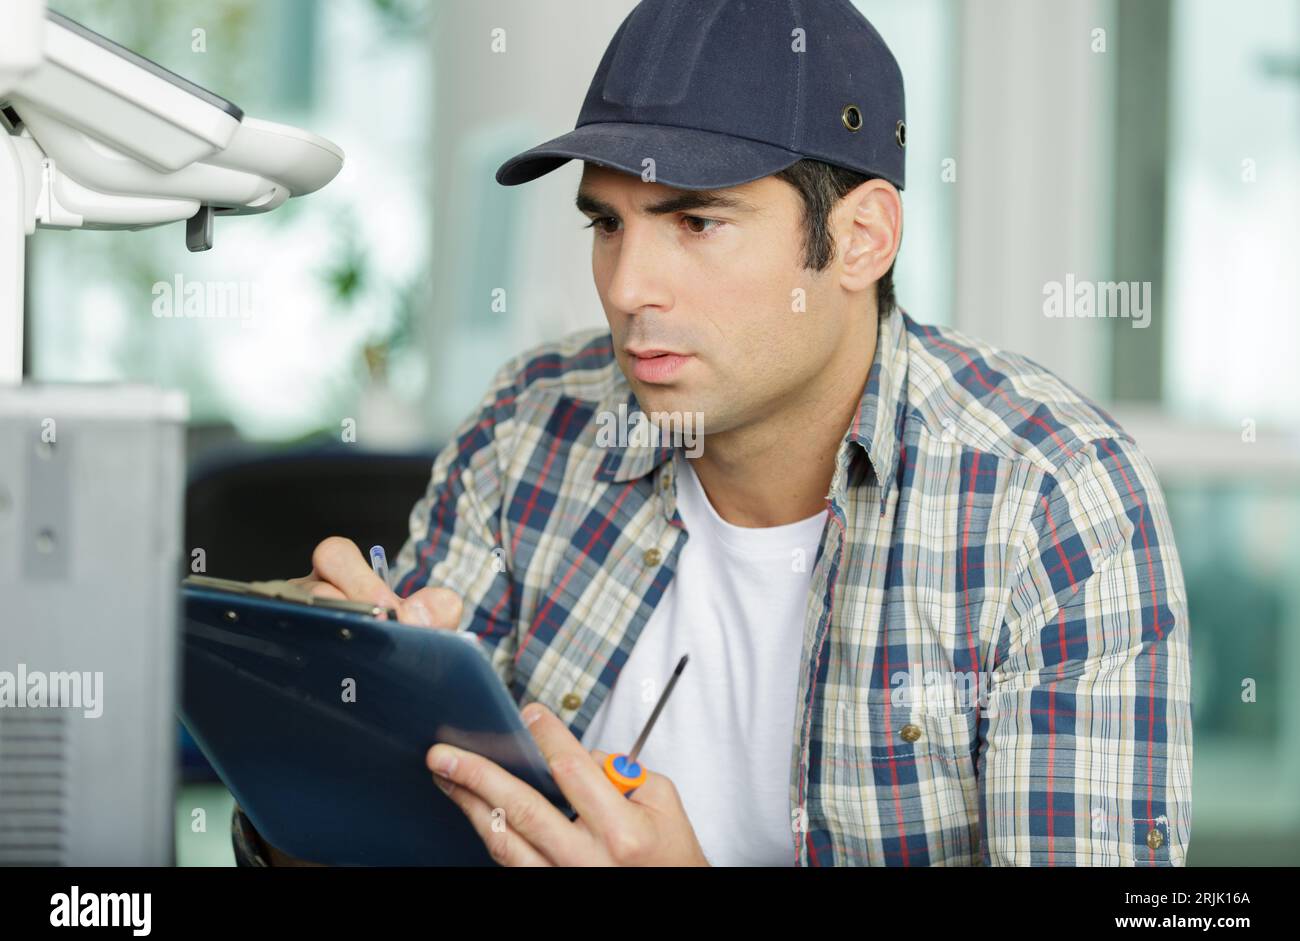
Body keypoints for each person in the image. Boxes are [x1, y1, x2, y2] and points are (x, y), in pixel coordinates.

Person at [234, 0, 1192, 867]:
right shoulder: (533, 422)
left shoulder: (1053, 500)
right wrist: (321, 731)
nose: (625, 287)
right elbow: (382, 843)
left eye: (694, 222)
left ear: (861, 239)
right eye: (606, 224)